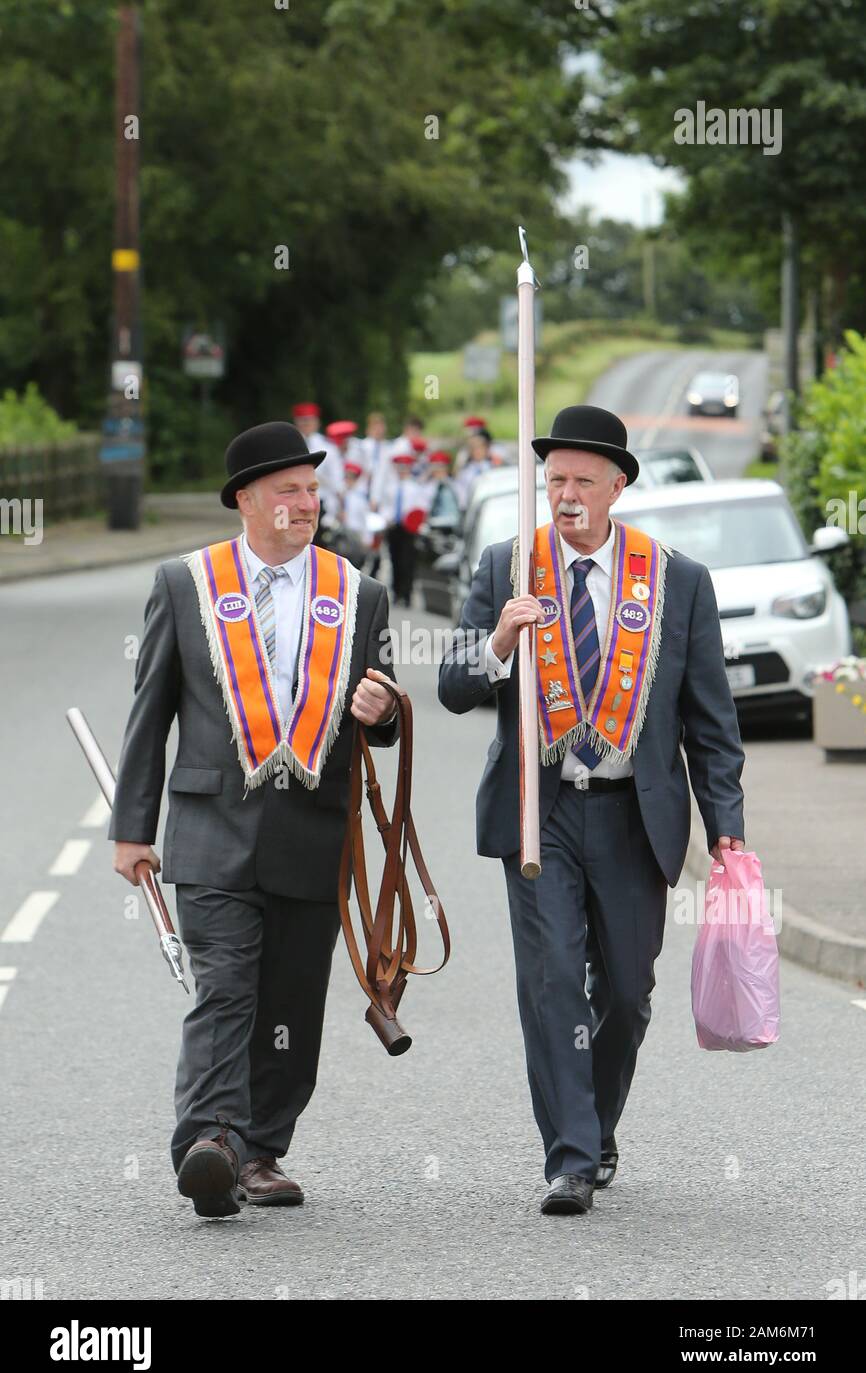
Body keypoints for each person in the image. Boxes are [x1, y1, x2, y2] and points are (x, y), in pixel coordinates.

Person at [438, 405, 746, 1216]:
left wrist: (727, 827)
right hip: (537, 807)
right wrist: (499, 641)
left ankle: (597, 1124)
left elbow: (711, 720)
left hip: (632, 816)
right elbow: (453, 687)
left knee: (629, 988)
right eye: (554, 481)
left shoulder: (677, 580)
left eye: (581, 481)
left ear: (617, 486)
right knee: (551, 985)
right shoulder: (509, 567)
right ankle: (570, 1157)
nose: (566, 495)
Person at [108, 421, 399, 1219]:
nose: (306, 504)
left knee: (292, 1002)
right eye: (288, 491)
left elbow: (385, 703)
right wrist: (133, 828)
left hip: (313, 831)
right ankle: (209, 1142)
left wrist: (382, 708)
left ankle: (261, 1147)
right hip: (210, 829)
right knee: (225, 989)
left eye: (312, 489)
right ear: (245, 501)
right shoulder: (184, 583)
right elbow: (151, 712)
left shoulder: (358, 591)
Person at [380, 450, 431, 606]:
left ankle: (407, 594)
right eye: (399, 467)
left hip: (409, 528)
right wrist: (386, 518)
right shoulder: (390, 487)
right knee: (394, 560)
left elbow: (422, 507)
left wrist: (414, 520)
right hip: (394, 527)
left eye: (405, 467)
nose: (402, 471)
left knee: (407, 561)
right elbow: (386, 506)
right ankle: (396, 592)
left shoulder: (415, 487)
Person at [292, 402, 343, 533]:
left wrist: (340, 505)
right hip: (295, 501)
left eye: (309, 420)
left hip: (321, 500)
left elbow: (337, 478)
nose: (306, 424)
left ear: (317, 422)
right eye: (303, 421)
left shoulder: (328, 446)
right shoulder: (289, 445)